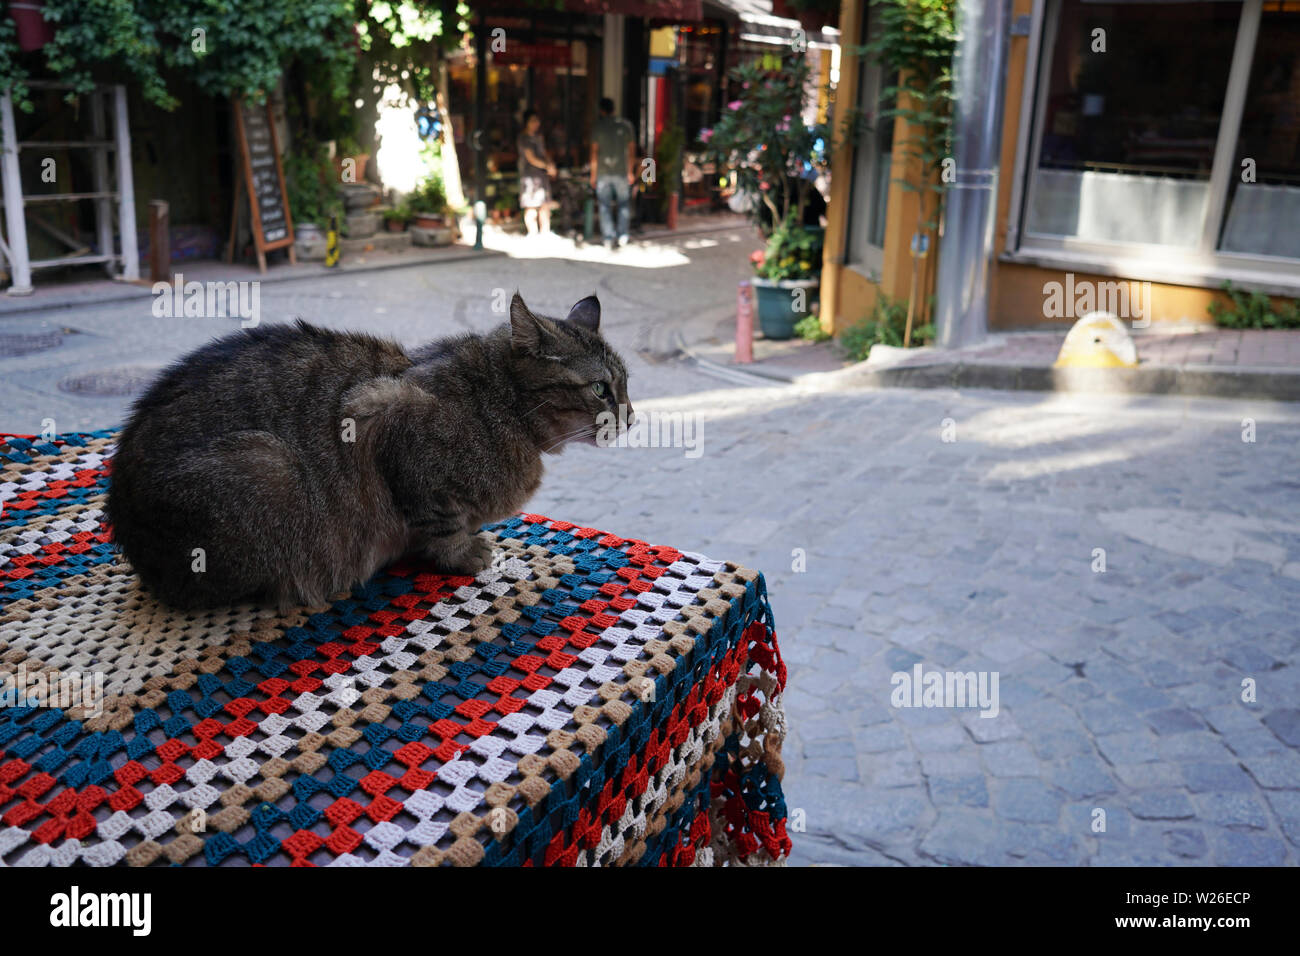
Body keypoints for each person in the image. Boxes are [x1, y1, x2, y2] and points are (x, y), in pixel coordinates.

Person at [590, 97, 636, 249]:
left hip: (603, 172)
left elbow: (594, 154)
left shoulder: (599, 127)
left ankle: (608, 237)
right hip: (622, 172)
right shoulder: (626, 126)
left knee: (604, 206)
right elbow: (631, 151)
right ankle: (622, 235)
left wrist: (593, 175)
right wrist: (630, 171)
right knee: (623, 204)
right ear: (614, 109)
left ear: (601, 110)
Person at [517, 109, 557, 237]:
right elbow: (531, 158)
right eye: (533, 120)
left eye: (537, 120)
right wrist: (547, 166)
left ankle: (545, 232)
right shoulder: (523, 138)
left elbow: (544, 153)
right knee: (531, 206)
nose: (536, 123)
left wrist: (550, 164)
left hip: (541, 175)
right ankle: (532, 233)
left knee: (545, 205)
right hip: (529, 176)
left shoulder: (538, 137)